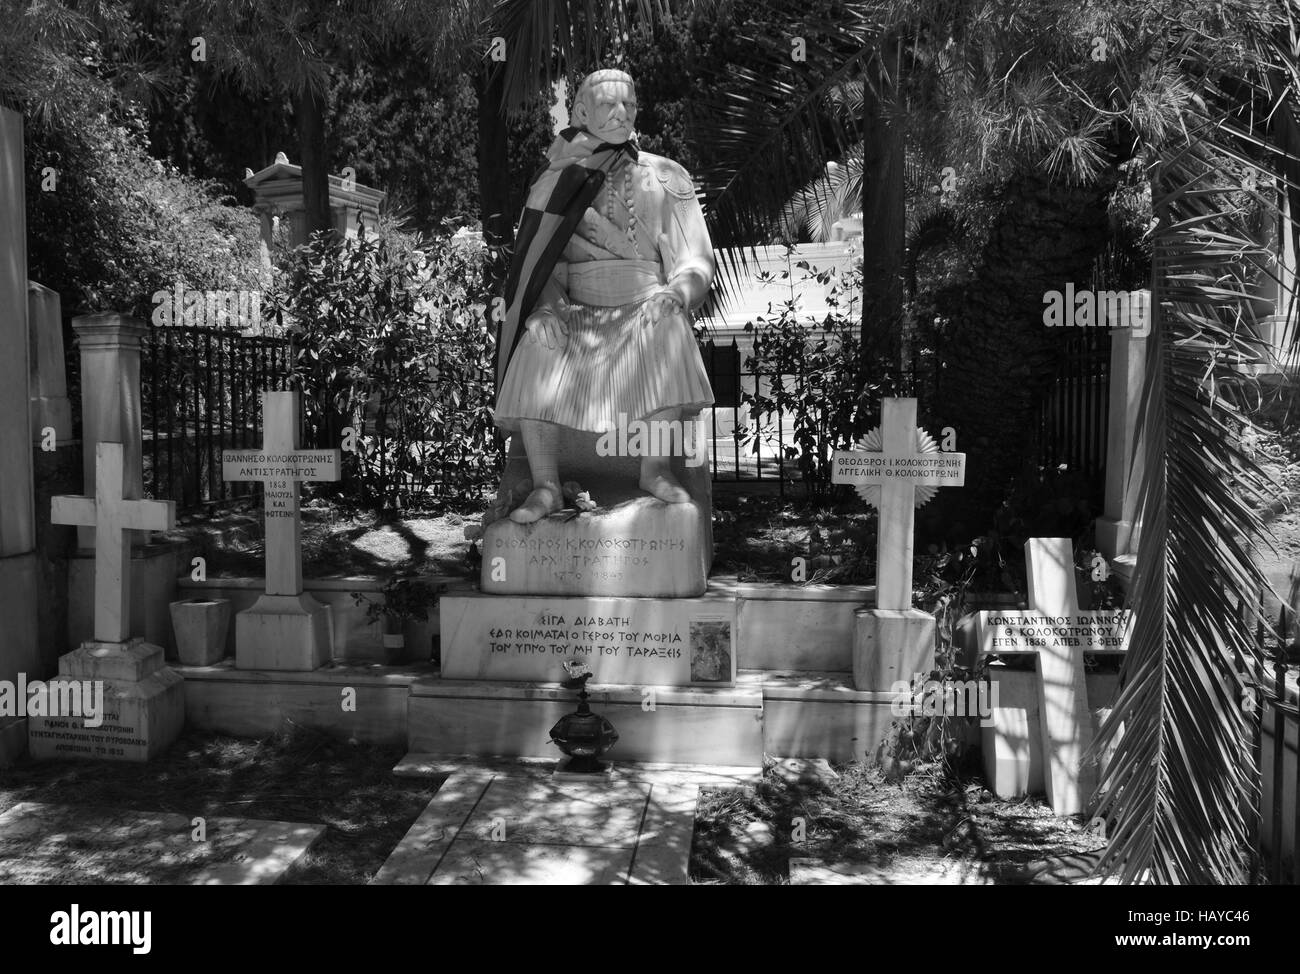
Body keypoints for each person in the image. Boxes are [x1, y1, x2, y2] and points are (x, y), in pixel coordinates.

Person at [494, 68, 716, 524]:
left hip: (646, 303)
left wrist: (679, 291)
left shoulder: (668, 176)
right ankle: (546, 487)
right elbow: (541, 267)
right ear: (580, 112)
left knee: (669, 324)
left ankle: (654, 469)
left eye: (629, 105)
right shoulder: (554, 181)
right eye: (609, 105)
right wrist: (543, 309)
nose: (622, 113)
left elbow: (695, 259)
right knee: (537, 341)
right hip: (577, 313)